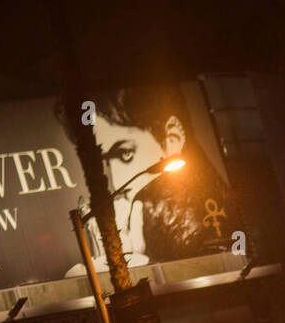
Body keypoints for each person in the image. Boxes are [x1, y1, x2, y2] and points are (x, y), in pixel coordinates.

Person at [60, 87, 230, 277]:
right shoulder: (145, 224)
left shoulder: (212, 223)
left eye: (126, 154)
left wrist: (140, 266)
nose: (116, 184)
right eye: (102, 162)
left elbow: (222, 269)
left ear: (172, 139)